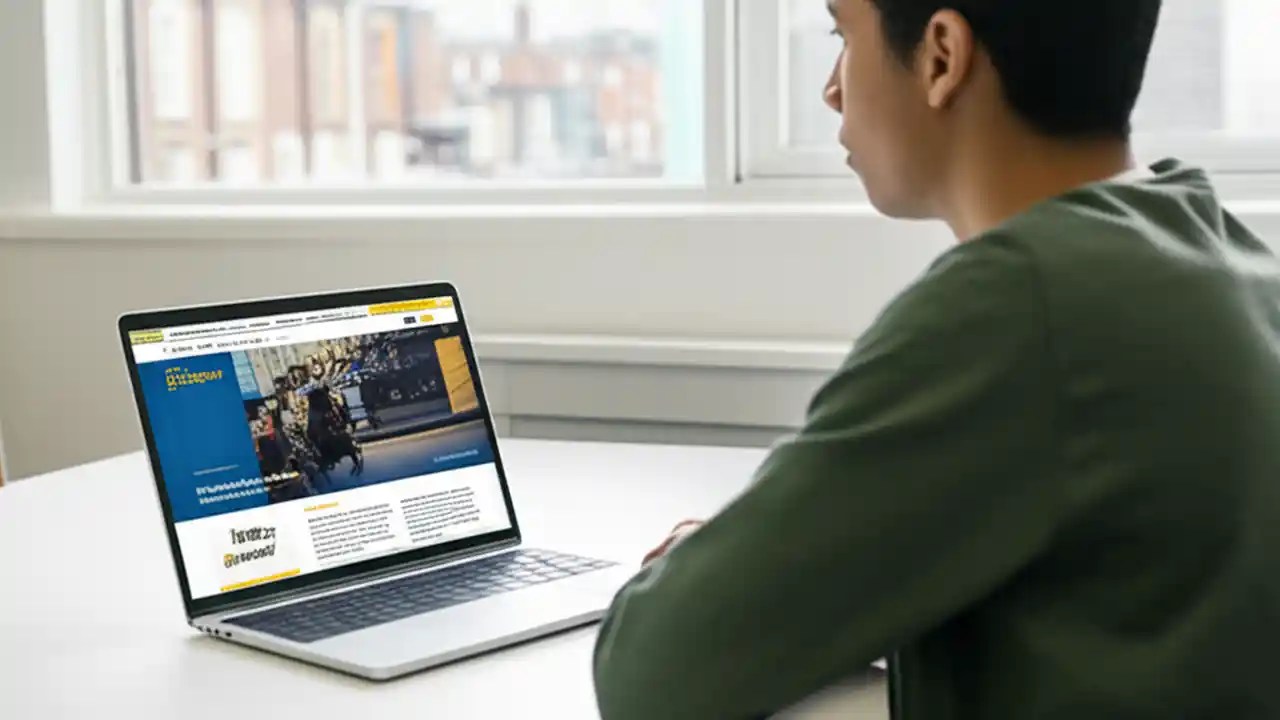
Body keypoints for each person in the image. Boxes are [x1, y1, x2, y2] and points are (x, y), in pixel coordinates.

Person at [592, 1, 1280, 718]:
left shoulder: (1019, 304)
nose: (831, 87)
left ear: (942, 57)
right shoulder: (1221, 256)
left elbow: (649, 669)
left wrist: (709, 565)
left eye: (842, 36)